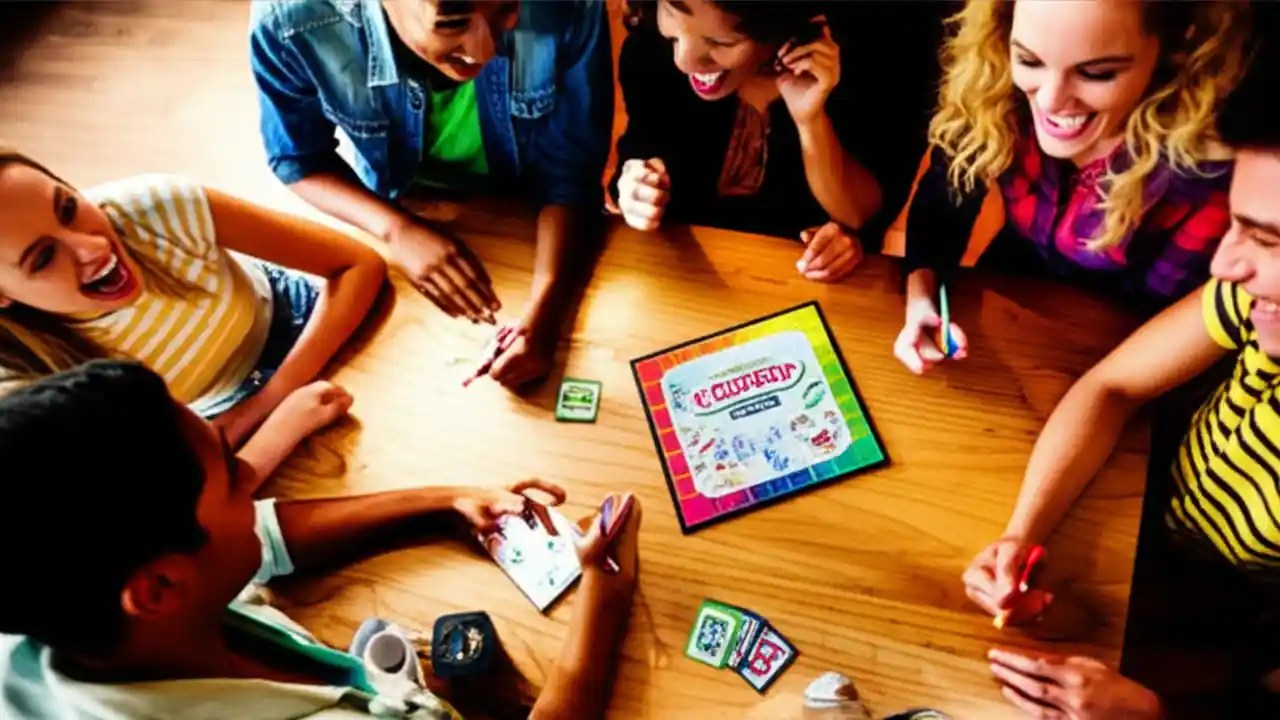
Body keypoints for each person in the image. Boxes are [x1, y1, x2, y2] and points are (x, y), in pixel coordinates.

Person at [0, 360, 642, 719]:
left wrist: (443, 501)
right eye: (233, 478)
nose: (253, 485)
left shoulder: (56, 595)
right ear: (160, 585)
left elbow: (266, 541)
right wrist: (606, 591)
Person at [962, 38, 1280, 718]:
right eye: (1238, 227)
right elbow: (1112, 387)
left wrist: (1152, 710)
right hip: (1142, 527)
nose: (1225, 265)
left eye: (1269, 240)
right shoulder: (1259, 306)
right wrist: (1023, 534)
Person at [250, 0, 613, 390]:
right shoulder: (290, 20)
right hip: (399, 206)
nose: (485, 50)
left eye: (508, 9)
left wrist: (545, 309)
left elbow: (571, 173)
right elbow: (298, 159)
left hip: (529, 215)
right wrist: (396, 229)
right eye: (452, 23)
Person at [895, 0, 1251, 375]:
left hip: (1117, 352)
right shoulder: (994, 83)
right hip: (1003, 303)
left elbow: (1168, 328)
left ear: (1174, 50)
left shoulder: (1204, 174)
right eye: (1029, 61)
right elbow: (943, 206)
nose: (1050, 100)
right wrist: (922, 300)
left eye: (1097, 73)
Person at [0, 150, 386, 485]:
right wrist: (270, 430)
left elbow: (356, 265)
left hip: (308, 325)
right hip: (214, 432)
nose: (94, 246)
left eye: (68, 208)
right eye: (44, 258)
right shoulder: (18, 379)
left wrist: (266, 404)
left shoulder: (155, 204)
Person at [611, 0, 938, 283]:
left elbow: (861, 216)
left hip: (797, 286)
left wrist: (811, 119)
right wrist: (633, 188)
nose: (685, 61)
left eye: (720, 42)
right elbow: (640, 149)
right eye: (673, 32)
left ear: (789, 27)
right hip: (683, 278)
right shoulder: (650, 50)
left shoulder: (880, 54)